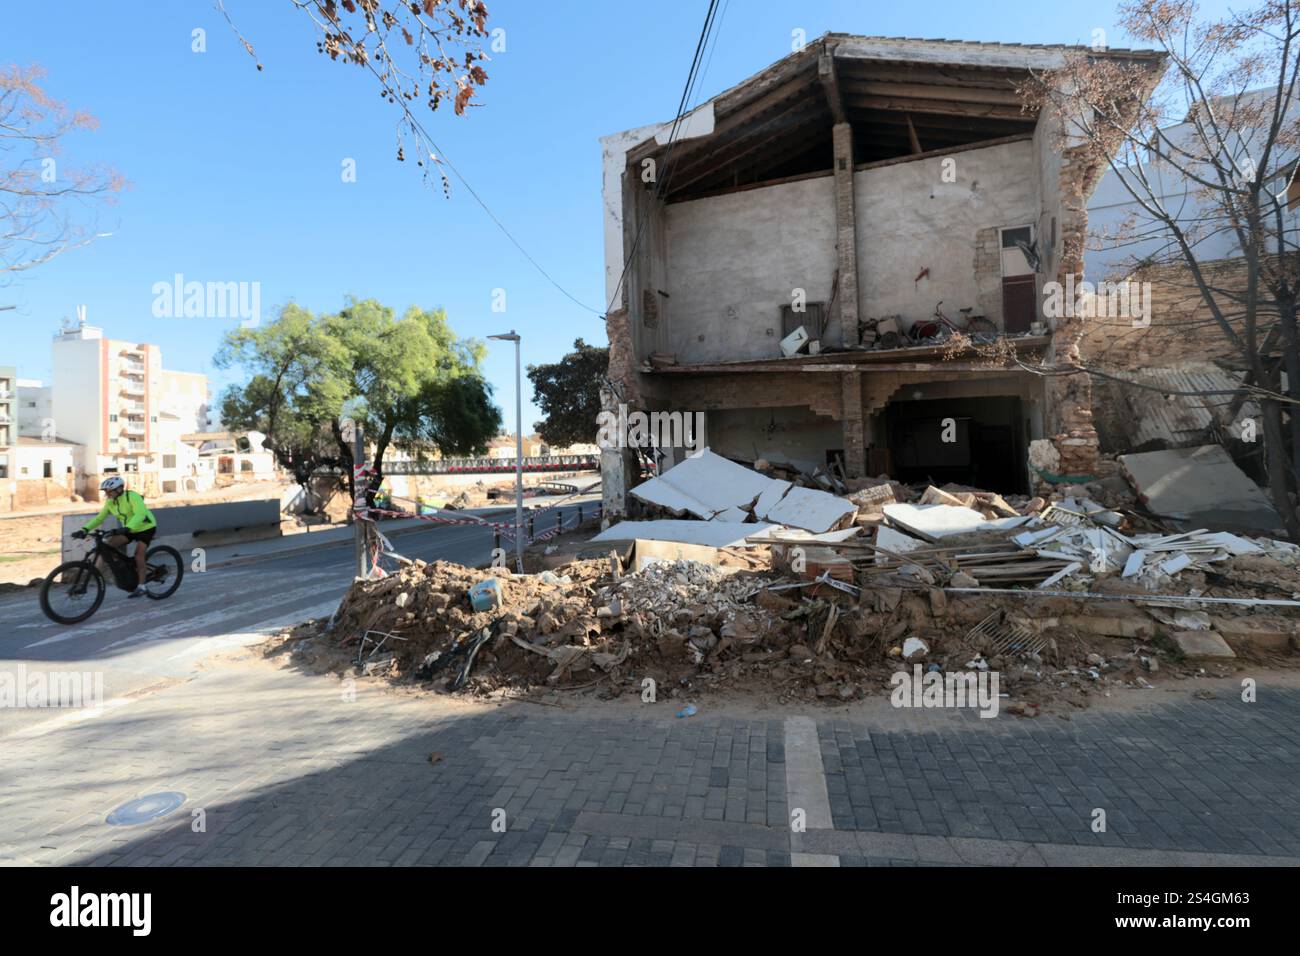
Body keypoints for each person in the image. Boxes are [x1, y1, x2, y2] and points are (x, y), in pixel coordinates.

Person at [71, 476, 157, 598]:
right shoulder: (111, 502)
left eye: (109, 491)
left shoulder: (132, 496)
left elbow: (140, 514)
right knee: (107, 546)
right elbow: (100, 518)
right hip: (128, 528)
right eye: (106, 491)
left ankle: (142, 586)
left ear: (120, 489)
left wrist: (127, 528)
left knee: (139, 555)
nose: (107, 494)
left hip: (145, 528)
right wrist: (84, 529)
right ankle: (122, 569)